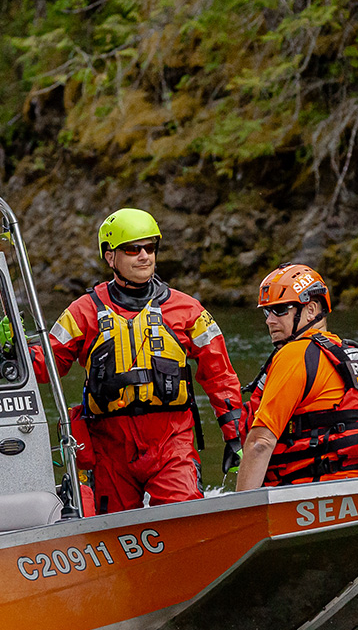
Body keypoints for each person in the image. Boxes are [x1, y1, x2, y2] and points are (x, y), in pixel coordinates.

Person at [29, 208, 246, 513]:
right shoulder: (83, 312)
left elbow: (219, 374)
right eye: (133, 249)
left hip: (170, 440)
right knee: (109, 527)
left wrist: (235, 436)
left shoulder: (188, 310)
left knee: (184, 515)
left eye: (150, 248)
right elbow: (47, 365)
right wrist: (16, 354)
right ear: (110, 256)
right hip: (109, 444)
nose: (144, 256)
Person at [234, 263, 358, 491]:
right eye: (267, 311)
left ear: (311, 310)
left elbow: (260, 443)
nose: (269, 321)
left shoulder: (294, 354)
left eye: (280, 310)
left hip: (306, 495)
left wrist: (241, 516)